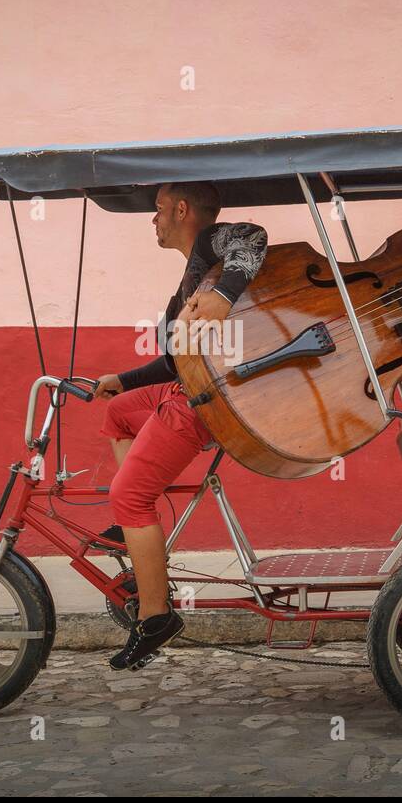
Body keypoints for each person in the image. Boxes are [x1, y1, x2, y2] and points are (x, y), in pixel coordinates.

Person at [94, 181, 267, 671]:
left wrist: (225, 297)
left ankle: (155, 617)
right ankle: (135, 526)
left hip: (199, 403)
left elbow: (252, 237)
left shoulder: (211, 247)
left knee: (128, 495)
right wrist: (122, 380)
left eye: (158, 209)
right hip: (181, 385)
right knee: (117, 412)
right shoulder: (193, 275)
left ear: (182, 209)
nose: (154, 219)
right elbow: (173, 362)